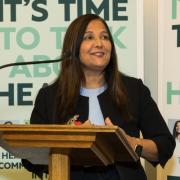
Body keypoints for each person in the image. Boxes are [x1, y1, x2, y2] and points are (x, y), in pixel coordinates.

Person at [22, 14, 175, 180]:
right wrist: (67, 142)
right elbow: (30, 158)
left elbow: (165, 144)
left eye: (105, 37)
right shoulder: (49, 97)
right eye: (89, 37)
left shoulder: (134, 89)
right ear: (73, 47)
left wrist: (131, 144)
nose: (99, 43)